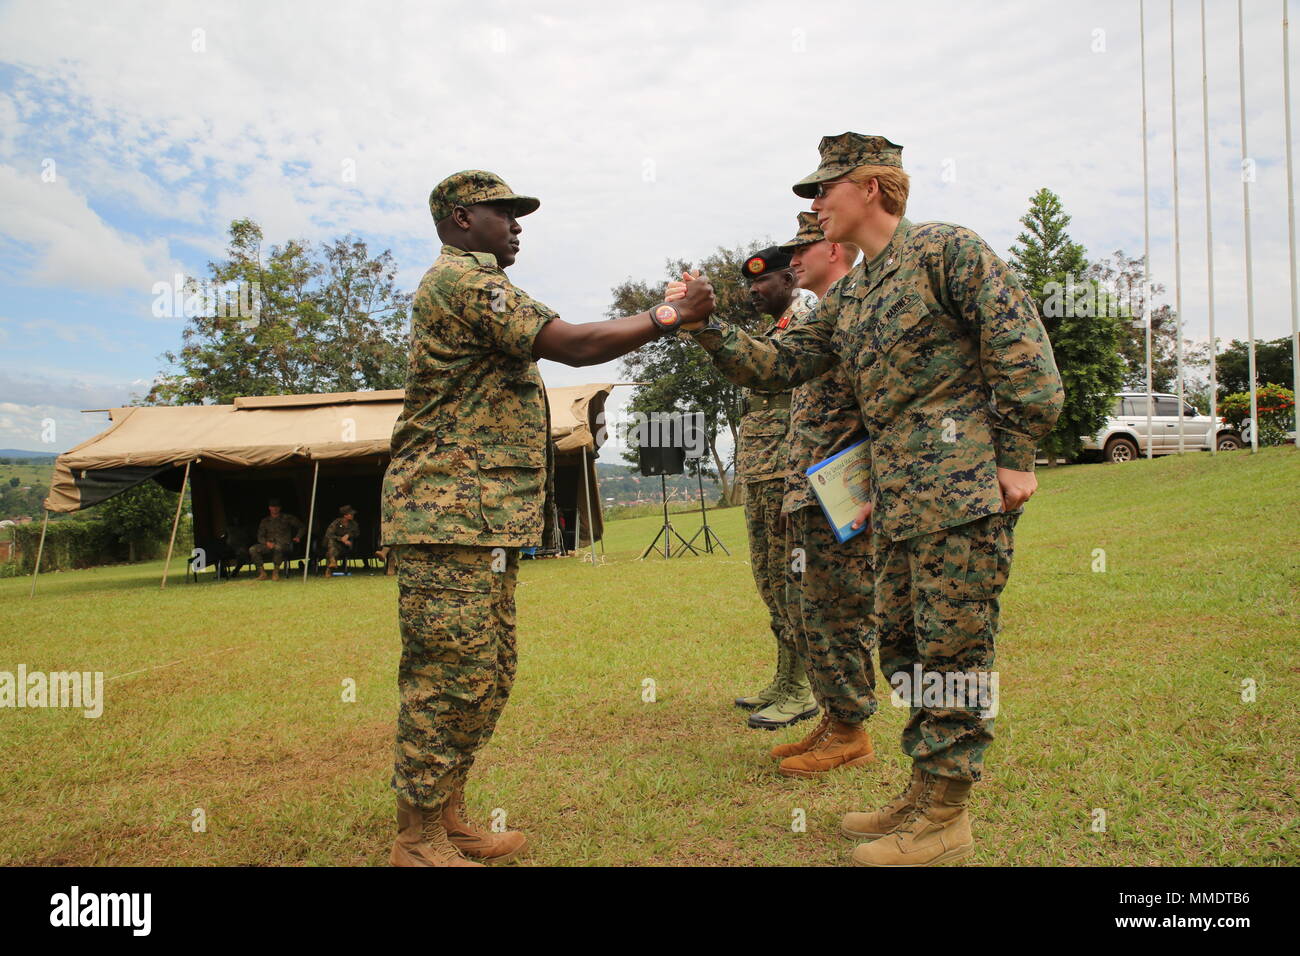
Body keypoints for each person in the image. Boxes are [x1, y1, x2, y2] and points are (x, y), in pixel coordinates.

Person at [685, 133, 1063, 866]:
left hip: (960, 492)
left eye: (826, 188)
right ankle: (922, 795)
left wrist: (1015, 458)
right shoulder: (853, 294)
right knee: (906, 648)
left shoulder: (947, 250)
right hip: (893, 501)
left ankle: (946, 819)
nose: (816, 203)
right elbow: (780, 364)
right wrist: (703, 324)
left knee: (954, 652)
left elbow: (1024, 355)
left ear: (874, 188)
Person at [382, 169, 715, 867]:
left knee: (488, 670)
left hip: (479, 523)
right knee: (450, 675)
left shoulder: (475, 283)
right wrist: (666, 317)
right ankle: (415, 840)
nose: (517, 225)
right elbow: (572, 344)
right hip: (448, 521)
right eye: (504, 212)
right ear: (462, 217)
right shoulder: (467, 281)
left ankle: (449, 816)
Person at [726, 247, 819, 732]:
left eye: (763, 282)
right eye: (750, 284)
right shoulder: (774, 328)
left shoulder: (805, 320)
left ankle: (802, 691)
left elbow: (805, 407)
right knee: (770, 581)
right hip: (762, 475)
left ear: (789, 278)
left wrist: (795, 483)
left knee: (790, 582)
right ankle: (784, 680)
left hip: (785, 475)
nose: (754, 292)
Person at [249, 499, 304, 581]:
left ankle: (275, 573)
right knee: (253, 549)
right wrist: (266, 543)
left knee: (278, 547)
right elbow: (260, 536)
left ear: (280, 508)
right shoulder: (265, 521)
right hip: (268, 545)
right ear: (269, 508)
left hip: (284, 545)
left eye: (277, 507)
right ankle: (262, 573)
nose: (275, 508)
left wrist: (298, 537)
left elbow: (302, 527)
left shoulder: (287, 518)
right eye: (272, 507)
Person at [322, 505, 359, 577]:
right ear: (345, 515)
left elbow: (357, 533)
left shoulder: (353, 524)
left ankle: (331, 565)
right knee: (332, 543)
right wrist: (341, 539)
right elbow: (329, 534)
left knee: (331, 549)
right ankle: (331, 563)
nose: (353, 515)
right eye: (351, 514)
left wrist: (348, 535)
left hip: (345, 546)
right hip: (334, 544)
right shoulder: (336, 523)